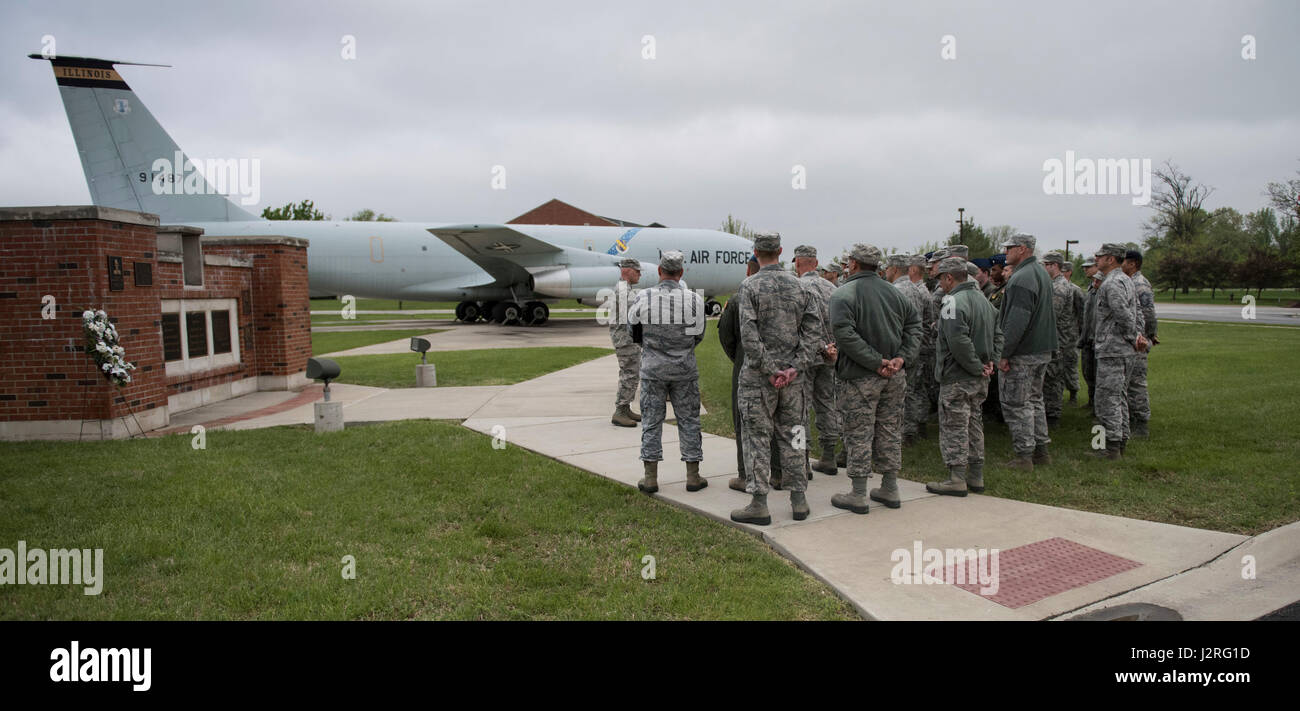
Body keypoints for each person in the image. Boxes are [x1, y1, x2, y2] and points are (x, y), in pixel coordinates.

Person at [730, 233, 823, 526]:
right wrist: (795, 367)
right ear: (781, 251)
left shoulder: (749, 286)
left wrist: (771, 370)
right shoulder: (801, 286)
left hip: (759, 379)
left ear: (756, 252)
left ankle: (759, 503)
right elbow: (813, 332)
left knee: (757, 438)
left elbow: (748, 335)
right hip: (793, 380)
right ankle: (799, 499)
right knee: (795, 435)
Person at [828, 243, 921, 513]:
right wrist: (901, 358)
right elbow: (915, 326)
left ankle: (858, 493)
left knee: (858, 431)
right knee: (890, 430)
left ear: (854, 264)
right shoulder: (895, 293)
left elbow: (844, 334)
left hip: (860, 377)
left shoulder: (843, 294)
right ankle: (890, 487)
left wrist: (874, 361)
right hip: (894, 375)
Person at [627, 251, 707, 493]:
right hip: (684, 370)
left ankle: (650, 478)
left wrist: (653, 348)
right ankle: (693, 476)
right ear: (681, 272)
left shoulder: (643, 297)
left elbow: (633, 332)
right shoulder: (694, 299)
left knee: (651, 422)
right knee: (689, 421)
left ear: (660, 271)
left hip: (653, 370)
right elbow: (699, 335)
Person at [927, 257, 1002, 496]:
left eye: (941, 279)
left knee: (955, 425)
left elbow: (958, 340)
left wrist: (976, 366)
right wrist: (990, 361)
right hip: (979, 376)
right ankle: (976, 476)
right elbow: (998, 334)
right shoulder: (983, 300)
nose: (940, 284)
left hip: (958, 375)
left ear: (949, 277)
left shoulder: (952, 301)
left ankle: (956, 477)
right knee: (974, 423)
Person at [996, 233, 1058, 470]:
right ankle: (1041, 451)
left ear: (1022, 249)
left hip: (1024, 352)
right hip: (1041, 349)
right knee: (1034, 400)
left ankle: (1024, 456)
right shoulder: (1040, 272)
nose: (1005, 251)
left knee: (1017, 403)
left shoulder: (1022, 277)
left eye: (1009, 247)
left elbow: (1017, 321)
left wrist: (1003, 353)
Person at [720, 256, 780, 491]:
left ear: (748, 270)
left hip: (748, 367)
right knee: (783, 422)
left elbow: (727, 337)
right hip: (783, 369)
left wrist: (740, 359)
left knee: (745, 423)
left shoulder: (739, 298)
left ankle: (746, 474)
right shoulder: (791, 291)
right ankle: (781, 472)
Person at [1091, 243, 1150, 459]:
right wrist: (1138, 337)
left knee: (1107, 399)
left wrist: (1134, 337)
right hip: (1122, 348)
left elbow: (1123, 314)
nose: (1096, 259)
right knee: (1119, 396)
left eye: (1100, 256)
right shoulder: (1126, 280)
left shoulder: (1113, 283)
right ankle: (1121, 441)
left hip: (1113, 349)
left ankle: (1111, 447)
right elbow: (1138, 314)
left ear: (1111, 259)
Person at [795, 245, 841, 476]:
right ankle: (829, 455)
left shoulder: (798, 287)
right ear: (815, 263)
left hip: (805, 356)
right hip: (830, 355)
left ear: (797, 263)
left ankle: (801, 460)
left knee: (799, 408)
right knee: (826, 403)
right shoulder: (831, 288)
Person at [892, 255, 931, 446]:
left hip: (901, 349)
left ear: (894, 269)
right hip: (917, 346)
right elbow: (927, 321)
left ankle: (903, 432)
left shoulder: (896, 290)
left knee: (900, 393)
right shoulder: (918, 290)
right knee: (913, 390)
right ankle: (911, 430)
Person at [1122, 250, 1158, 438]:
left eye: (1124, 261)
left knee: (1137, 383)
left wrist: (1149, 335)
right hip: (1130, 339)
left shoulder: (1140, 284)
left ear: (1133, 263)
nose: (1121, 264)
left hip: (1139, 341)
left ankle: (1141, 423)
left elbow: (1149, 313)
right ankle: (1130, 419)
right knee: (1128, 382)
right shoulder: (1128, 281)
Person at [1041, 252, 1079, 426]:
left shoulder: (1060, 287)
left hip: (1058, 340)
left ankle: (1053, 415)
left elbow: (1051, 315)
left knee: (1053, 379)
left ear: (1054, 265)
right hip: (1053, 338)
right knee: (1049, 378)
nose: (1043, 268)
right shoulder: (1053, 284)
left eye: (1045, 265)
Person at [609, 257, 643, 427]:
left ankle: (626, 408)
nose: (640, 275)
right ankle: (620, 411)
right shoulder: (623, 290)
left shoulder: (625, 288)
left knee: (632, 373)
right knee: (629, 373)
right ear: (628, 270)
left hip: (627, 338)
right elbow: (633, 315)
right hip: (625, 339)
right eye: (637, 271)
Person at [1079, 260, 1102, 411]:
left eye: (1089, 267)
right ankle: (1091, 401)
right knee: (1088, 372)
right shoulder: (1091, 287)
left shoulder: (1104, 287)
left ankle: (1098, 408)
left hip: (1098, 339)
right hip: (1088, 337)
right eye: (1084, 267)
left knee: (1098, 374)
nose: (1085, 269)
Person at [1061, 261, 1085, 404]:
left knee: (1070, 364)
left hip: (1071, 335)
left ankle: (1073, 392)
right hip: (1059, 335)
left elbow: (1082, 313)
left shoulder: (1075, 290)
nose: (1062, 273)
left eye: (1064, 271)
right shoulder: (1055, 287)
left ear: (1069, 272)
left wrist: (1081, 333)